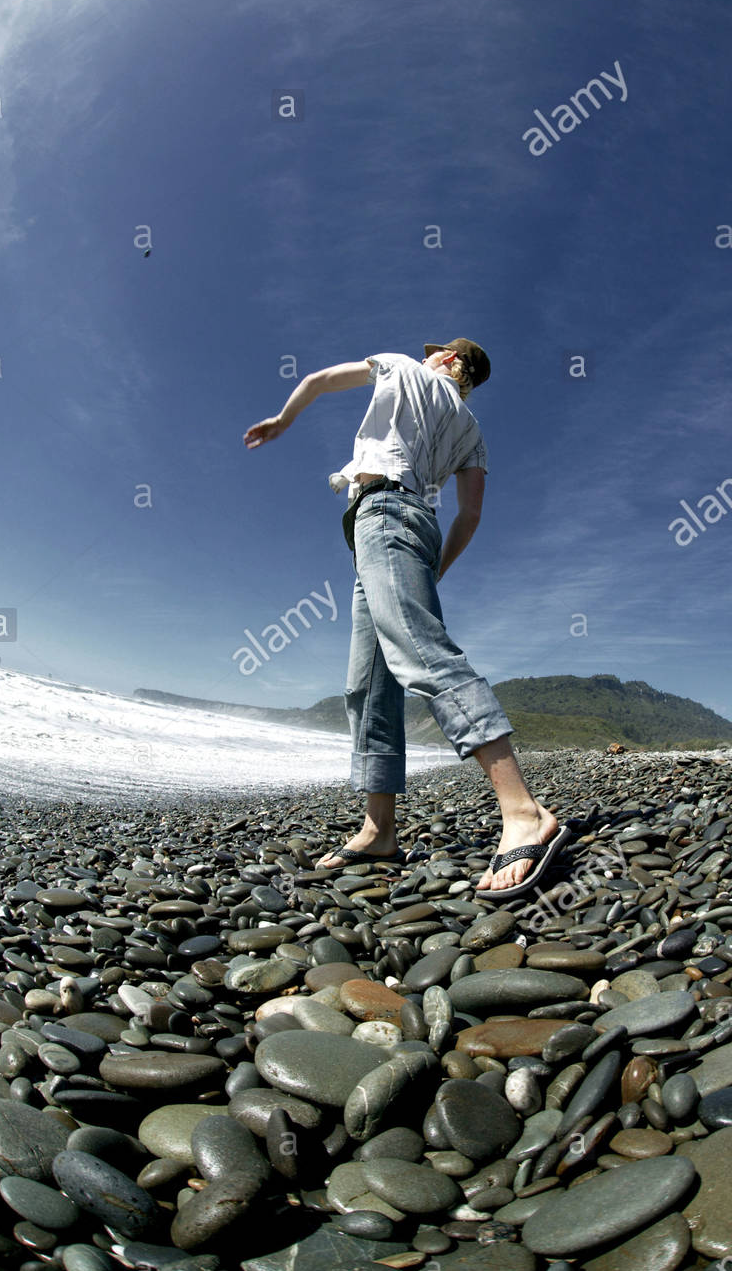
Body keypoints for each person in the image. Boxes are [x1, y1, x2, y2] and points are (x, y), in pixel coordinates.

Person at [243, 338, 570, 899]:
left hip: (384, 514)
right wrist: (434, 568)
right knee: (368, 683)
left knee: (420, 650)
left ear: (446, 360)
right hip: (412, 528)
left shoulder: (399, 366)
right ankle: (380, 829)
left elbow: (321, 379)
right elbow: (469, 515)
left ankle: (523, 811)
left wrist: (282, 419)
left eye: (436, 351)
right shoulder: (471, 430)